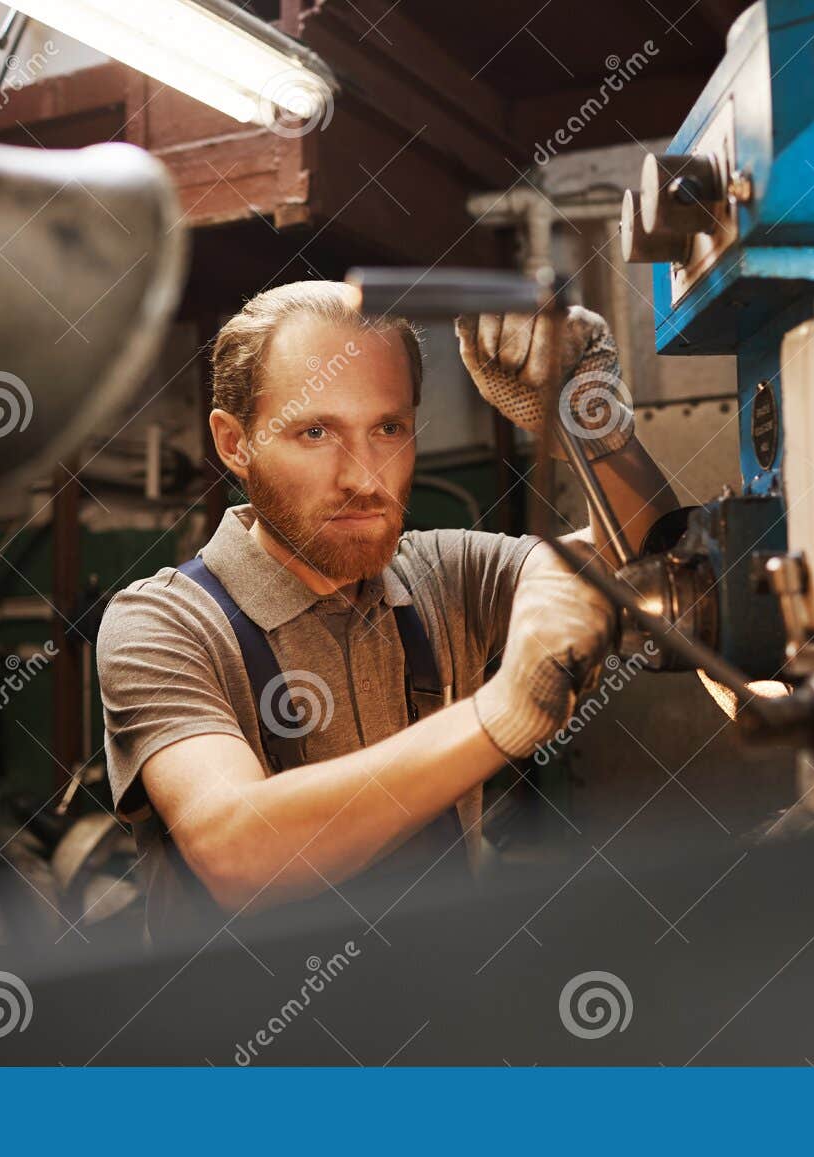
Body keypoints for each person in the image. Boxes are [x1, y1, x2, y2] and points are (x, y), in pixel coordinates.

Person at [96, 281, 678, 941]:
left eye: (388, 429)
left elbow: (661, 577)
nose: (365, 478)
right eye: (315, 431)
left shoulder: (442, 576)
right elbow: (238, 852)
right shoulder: (163, 624)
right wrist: (500, 714)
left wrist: (593, 423)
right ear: (235, 443)